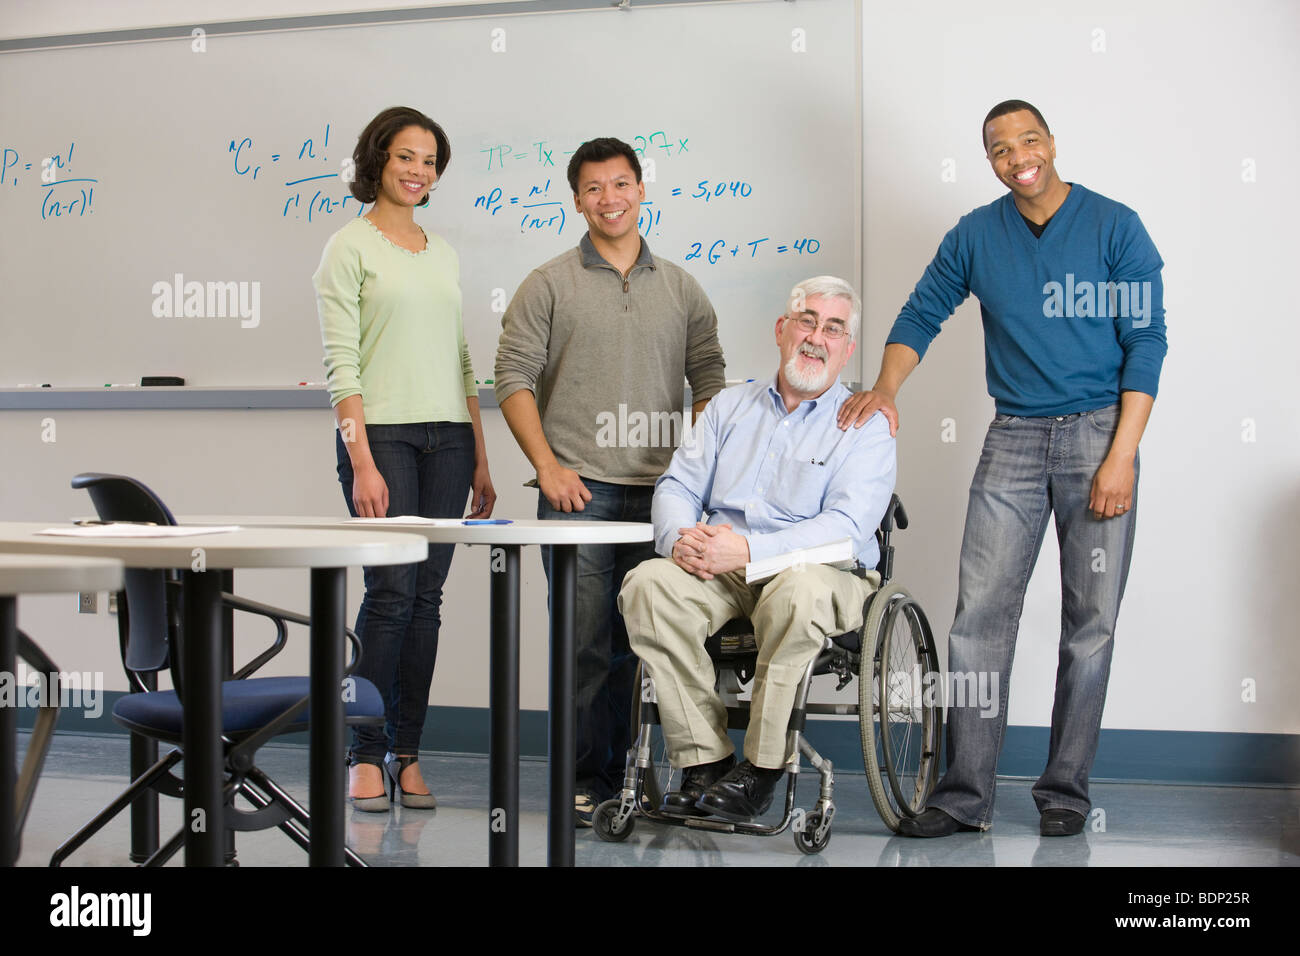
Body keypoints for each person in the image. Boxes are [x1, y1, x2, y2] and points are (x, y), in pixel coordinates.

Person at [839, 99, 1167, 837]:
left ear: (1051, 142)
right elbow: (921, 312)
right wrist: (885, 389)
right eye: (998, 147)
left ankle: (1064, 795)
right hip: (1013, 437)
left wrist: (1121, 458)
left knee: (1092, 625)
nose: (1017, 154)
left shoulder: (1117, 225)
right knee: (977, 622)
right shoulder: (976, 235)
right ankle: (963, 797)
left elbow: (1146, 342)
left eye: (1028, 138)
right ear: (989, 159)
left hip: (1098, 437)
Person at [494, 137, 726, 825]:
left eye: (621, 184)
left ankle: (632, 779)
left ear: (641, 190)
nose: (609, 199)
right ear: (576, 200)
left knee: (642, 645)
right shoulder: (549, 283)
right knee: (585, 645)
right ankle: (582, 781)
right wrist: (546, 467)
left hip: (662, 497)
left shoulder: (681, 287)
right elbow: (511, 379)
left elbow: (710, 378)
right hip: (579, 494)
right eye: (594, 188)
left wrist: (694, 468)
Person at [618, 276, 896, 822]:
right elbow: (677, 486)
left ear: (847, 347)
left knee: (798, 590)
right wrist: (681, 540)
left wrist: (747, 550)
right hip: (721, 568)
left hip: (822, 570)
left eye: (834, 329)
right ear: (782, 330)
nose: (817, 337)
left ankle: (763, 769)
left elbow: (844, 526)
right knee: (647, 585)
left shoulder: (865, 426)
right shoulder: (728, 406)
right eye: (807, 321)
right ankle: (705, 760)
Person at [315, 106, 496, 811]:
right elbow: (341, 366)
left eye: (429, 160)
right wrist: (361, 461)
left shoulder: (442, 251)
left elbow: (459, 359)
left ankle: (407, 750)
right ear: (377, 160)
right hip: (381, 436)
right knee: (389, 598)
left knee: (427, 603)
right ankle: (362, 754)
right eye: (405, 157)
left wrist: (480, 454)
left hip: (449, 436)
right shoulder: (348, 247)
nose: (417, 170)